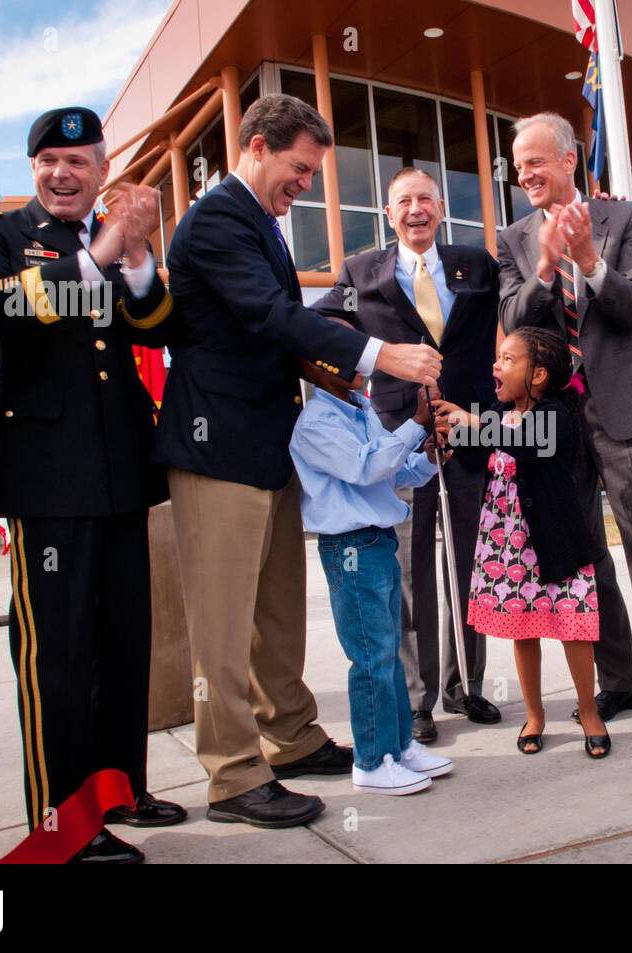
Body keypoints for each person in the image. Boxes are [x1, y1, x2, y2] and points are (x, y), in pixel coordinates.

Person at [155, 93, 441, 827]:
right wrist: (381, 354)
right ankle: (232, 774)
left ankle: (290, 736)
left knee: (276, 611)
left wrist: (320, 372)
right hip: (216, 444)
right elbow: (270, 315)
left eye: (312, 172)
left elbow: (269, 334)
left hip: (267, 444)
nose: (306, 184)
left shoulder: (264, 225)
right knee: (222, 624)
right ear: (255, 145)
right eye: (300, 168)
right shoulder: (218, 217)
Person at [0, 106, 185, 863]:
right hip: (46, 480)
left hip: (121, 469)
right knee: (58, 654)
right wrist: (102, 253)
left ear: (100, 168)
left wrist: (140, 252)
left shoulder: (113, 238)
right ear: (33, 169)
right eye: (49, 160)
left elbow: (156, 325)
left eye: (78, 161)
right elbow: (3, 312)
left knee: (124, 645)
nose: (62, 174)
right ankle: (64, 822)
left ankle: (119, 790)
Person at [497, 112, 632, 755]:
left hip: (625, 409)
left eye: (536, 161)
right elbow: (511, 319)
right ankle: (619, 681)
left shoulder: (626, 220)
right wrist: (543, 266)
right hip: (555, 424)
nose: (526, 175)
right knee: (585, 556)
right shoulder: (513, 239)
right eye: (518, 167)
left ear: (569, 160)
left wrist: (588, 258)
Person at [313, 167, 500, 742]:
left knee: (468, 562)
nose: (415, 209)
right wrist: (375, 359)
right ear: (388, 213)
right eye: (403, 201)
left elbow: (515, 308)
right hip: (399, 431)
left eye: (424, 199)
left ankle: (465, 685)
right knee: (413, 567)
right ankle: (418, 701)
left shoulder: (477, 263)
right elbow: (320, 323)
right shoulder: (360, 271)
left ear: (440, 209)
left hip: (469, 426)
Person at [289, 330, 455, 794]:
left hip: (378, 542)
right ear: (321, 366)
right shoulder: (317, 423)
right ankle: (371, 761)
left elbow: (395, 471)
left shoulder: (360, 410)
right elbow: (366, 466)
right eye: (346, 356)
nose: (360, 364)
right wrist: (415, 423)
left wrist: (428, 453)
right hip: (350, 549)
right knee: (371, 657)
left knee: (390, 650)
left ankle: (399, 746)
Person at [435, 327, 610, 758]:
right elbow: (474, 447)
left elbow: (528, 444)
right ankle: (535, 715)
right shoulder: (495, 412)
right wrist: (448, 434)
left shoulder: (556, 416)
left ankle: (589, 710)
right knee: (523, 629)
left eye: (509, 359)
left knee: (574, 629)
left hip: (555, 539)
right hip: (507, 546)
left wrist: (474, 423)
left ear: (538, 376)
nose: (497, 365)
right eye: (497, 357)